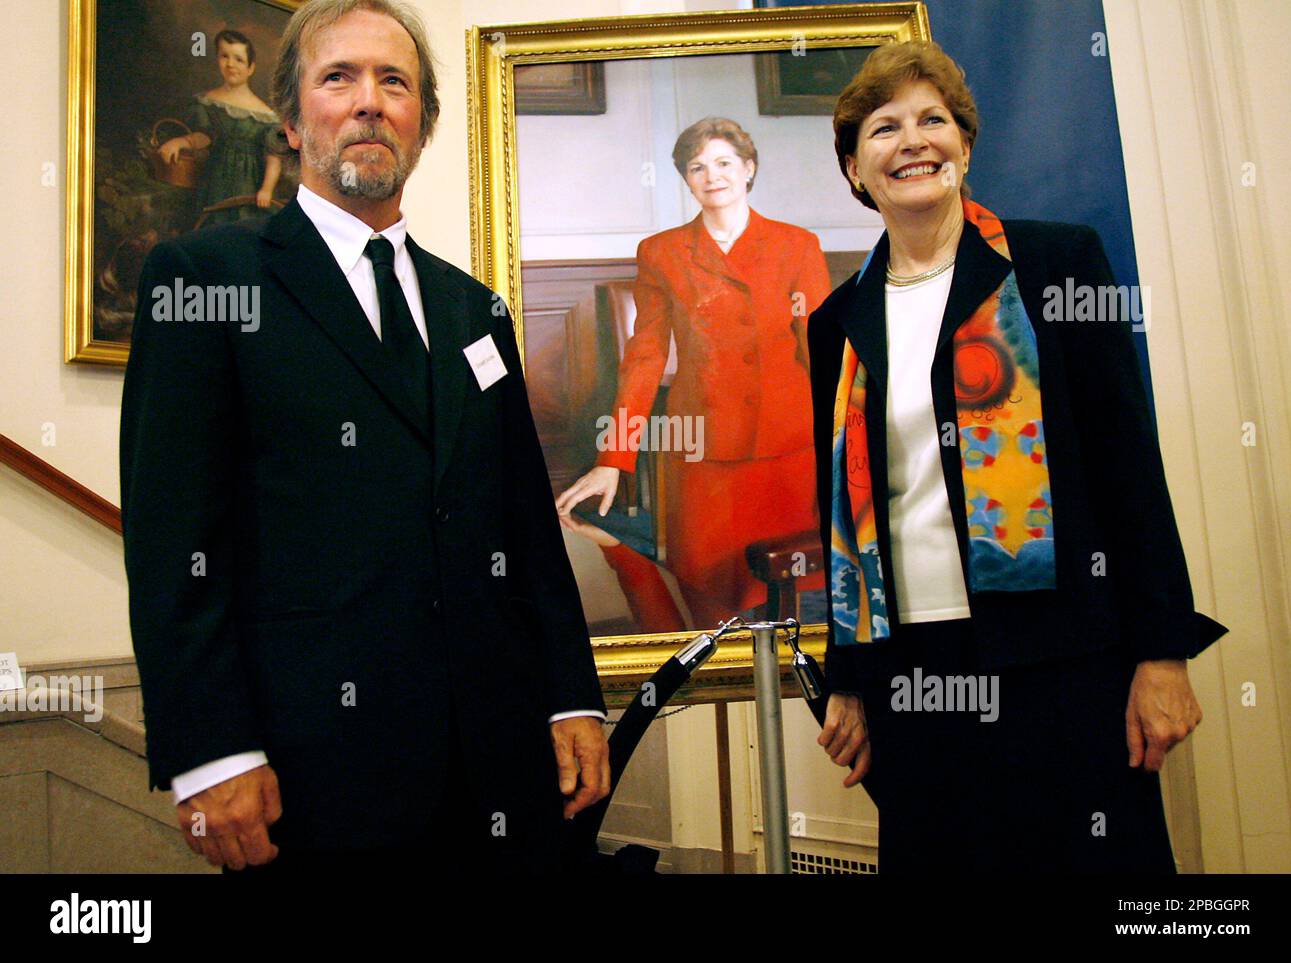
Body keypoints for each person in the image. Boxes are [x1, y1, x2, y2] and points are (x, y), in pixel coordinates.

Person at [120, 0, 609, 875]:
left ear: (421, 124)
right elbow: (172, 537)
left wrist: (572, 694)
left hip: (499, 772)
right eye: (337, 76)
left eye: (395, 81)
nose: (369, 100)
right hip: (313, 780)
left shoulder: (475, 309)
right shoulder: (205, 278)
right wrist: (213, 750)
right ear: (291, 116)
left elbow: (526, 528)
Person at [808, 41, 1226, 873]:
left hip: (1062, 659)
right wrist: (848, 676)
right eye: (884, 128)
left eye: (934, 119)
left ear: (965, 146)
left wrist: (1161, 651)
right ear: (856, 170)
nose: (913, 140)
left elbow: (1128, 465)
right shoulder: (836, 320)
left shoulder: (1055, 263)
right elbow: (845, 510)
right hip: (910, 673)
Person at [555, 117, 831, 627]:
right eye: (697, 166)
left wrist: (845, 443)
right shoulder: (661, 252)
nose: (712, 175)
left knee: (791, 608)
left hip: (787, 450)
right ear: (686, 179)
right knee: (712, 603)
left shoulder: (799, 245)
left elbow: (821, 351)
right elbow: (645, 357)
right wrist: (613, 458)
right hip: (702, 449)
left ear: (748, 170)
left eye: (724, 163)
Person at [157, 30, 285, 226]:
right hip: (215, 179)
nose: (230, 64)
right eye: (225, 56)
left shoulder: (265, 115)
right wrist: (179, 142)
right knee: (210, 225)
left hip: (249, 182)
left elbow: (273, 157)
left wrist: (266, 189)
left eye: (239, 59)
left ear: (251, 67)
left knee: (242, 228)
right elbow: (204, 136)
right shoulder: (209, 101)